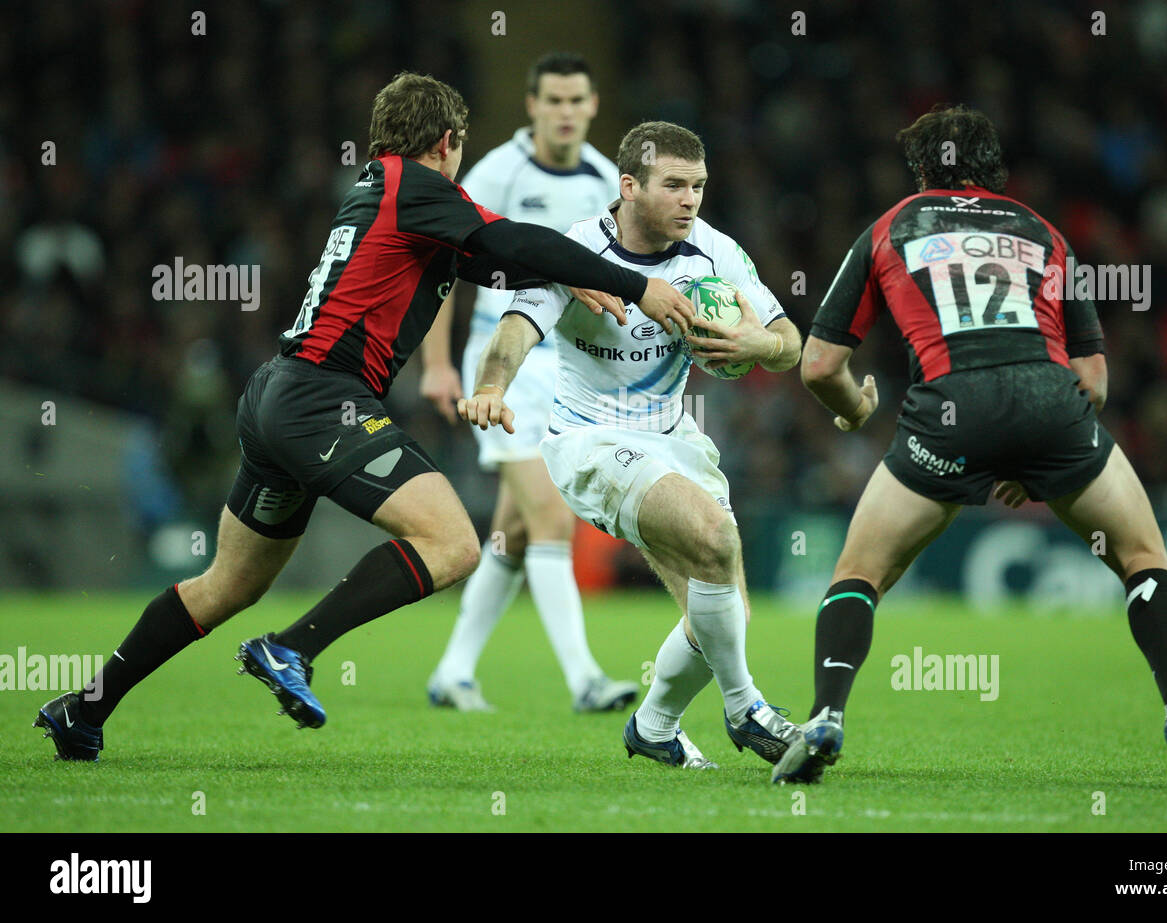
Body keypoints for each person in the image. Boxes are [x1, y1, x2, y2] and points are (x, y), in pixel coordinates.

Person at [34, 72, 694, 760]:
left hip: (277, 394)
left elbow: (498, 263)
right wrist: (633, 280)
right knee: (453, 544)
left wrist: (570, 274)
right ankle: (290, 648)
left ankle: (84, 706)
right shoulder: (418, 186)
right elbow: (511, 243)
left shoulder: (382, 186)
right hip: (325, 397)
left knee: (228, 583)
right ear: (448, 142)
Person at [773, 105, 1167, 787]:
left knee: (860, 573)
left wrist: (855, 409)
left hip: (950, 410)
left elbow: (819, 365)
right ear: (993, 167)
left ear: (920, 172)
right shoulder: (1044, 232)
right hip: (1050, 404)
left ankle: (825, 716)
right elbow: (1094, 377)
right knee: (1144, 556)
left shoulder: (892, 226)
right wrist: (1034, 462)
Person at [460, 121, 806, 770]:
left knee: (724, 607)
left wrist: (759, 345)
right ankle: (748, 711)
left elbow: (789, 341)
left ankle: (654, 725)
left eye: (698, 186)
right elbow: (513, 329)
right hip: (589, 440)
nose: (689, 200)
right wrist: (490, 385)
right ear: (629, 186)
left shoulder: (713, 252)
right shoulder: (576, 251)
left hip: (673, 436)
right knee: (715, 538)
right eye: (673, 185)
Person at [420, 53, 637, 714]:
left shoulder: (606, 178)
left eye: (577, 100)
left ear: (593, 105)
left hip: (570, 368)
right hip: (506, 366)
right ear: (532, 105)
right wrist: (437, 364)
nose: (566, 112)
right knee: (549, 519)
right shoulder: (498, 172)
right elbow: (441, 268)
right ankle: (585, 680)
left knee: (513, 532)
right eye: (555, 101)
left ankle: (452, 672)